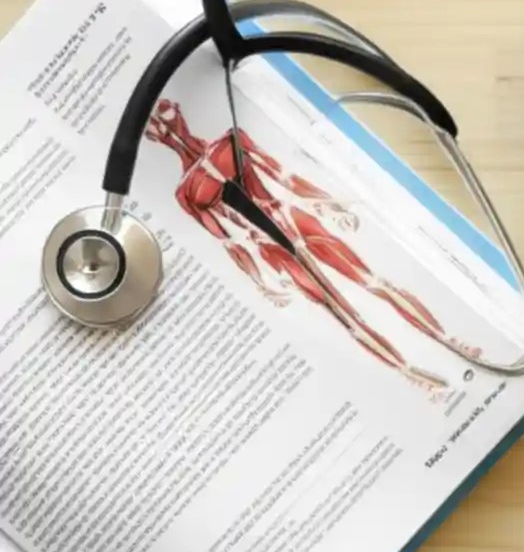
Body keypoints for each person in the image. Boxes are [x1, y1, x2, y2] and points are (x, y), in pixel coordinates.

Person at [144, 99, 479, 396]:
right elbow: (228, 241)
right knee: (344, 316)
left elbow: (283, 176)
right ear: (153, 139)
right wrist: (260, 282)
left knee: (373, 282)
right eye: (156, 127)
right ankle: (413, 376)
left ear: (178, 111)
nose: (165, 128)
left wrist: (329, 204)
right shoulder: (186, 193)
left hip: (293, 219)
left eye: (165, 115)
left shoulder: (230, 140)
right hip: (272, 249)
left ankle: (449, 342)